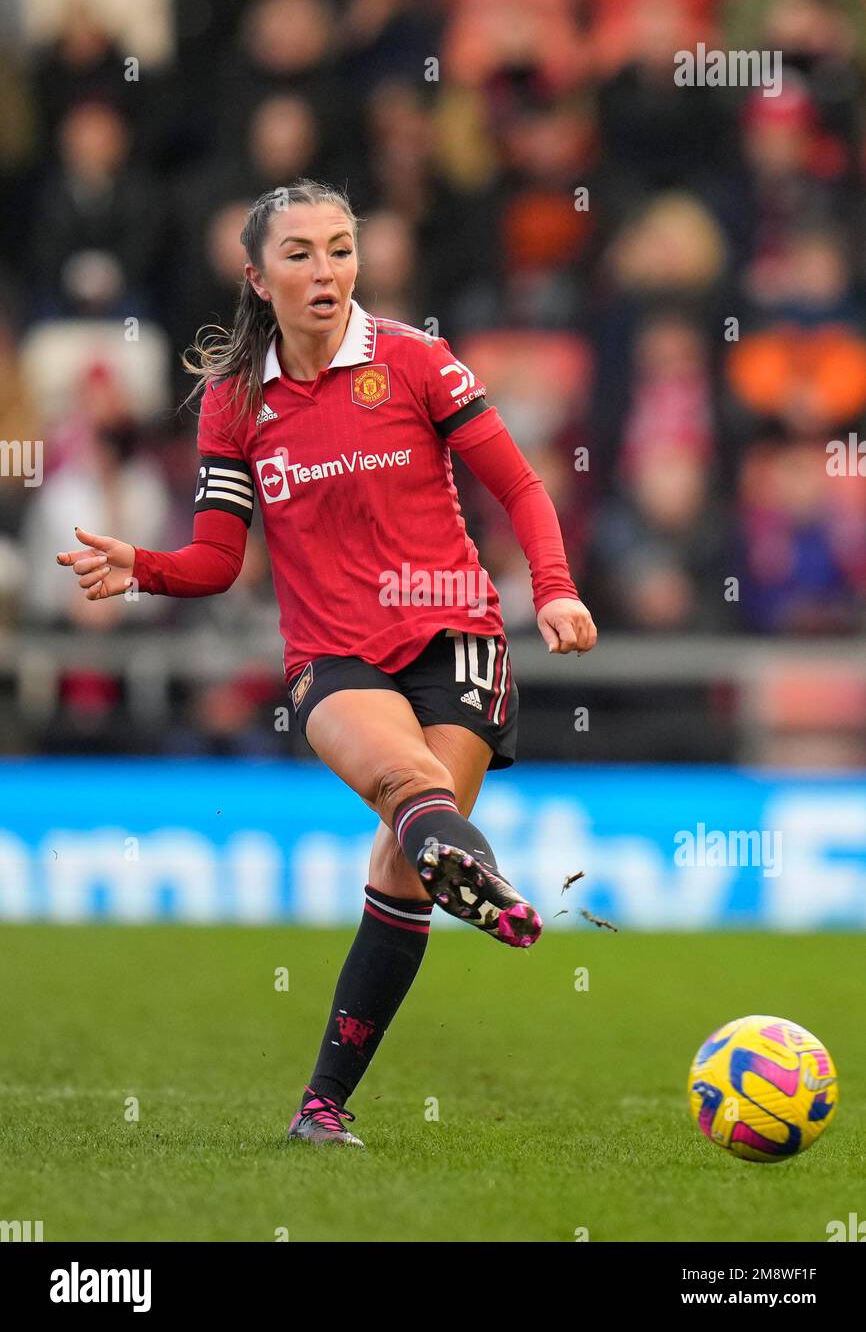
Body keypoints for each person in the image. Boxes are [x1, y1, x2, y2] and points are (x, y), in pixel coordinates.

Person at [56, 180, 597, 1150]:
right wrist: (139, 566)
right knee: (411, 787)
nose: (326, 271)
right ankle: (481, 881)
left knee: (404, 856)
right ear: (256, 276)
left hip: (458, 636)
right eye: (300, 253)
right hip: (331, 652)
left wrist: (552, 587)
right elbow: (219, 561)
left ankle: (321, 1105)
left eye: (341, 248)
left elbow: (517, 484)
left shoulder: (415, 358)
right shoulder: (235, 403)